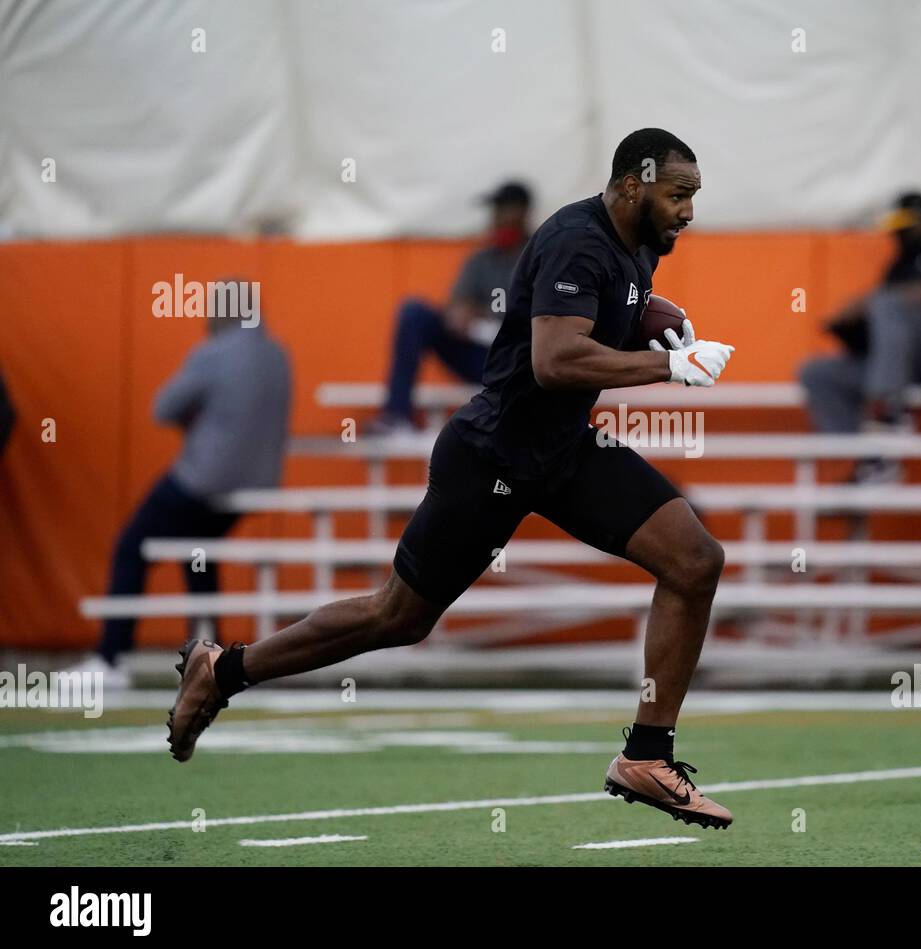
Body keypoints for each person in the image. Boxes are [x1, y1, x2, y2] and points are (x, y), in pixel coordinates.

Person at [167, 129, 739, 831]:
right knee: (397, 618)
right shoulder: (576, 239)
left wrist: (651, 327)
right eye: (678, 195)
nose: (687, 211)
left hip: (562, 452)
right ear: (631, 185)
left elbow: (591, 327)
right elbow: (555, 360)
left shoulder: (638, 247)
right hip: (493, 454)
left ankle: (648, 755)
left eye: (694, 198)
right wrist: (669, 367)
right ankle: (224, 671)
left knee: (695, 559)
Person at [81, 292, 291, 687]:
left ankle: (110, 659)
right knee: (198, 552)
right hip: (255, 485)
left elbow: (164, 408)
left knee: (131, 547)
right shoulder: (278, 355)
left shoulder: (213, 352)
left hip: (205, 480)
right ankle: (207, 660)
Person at [799, 192, 921, 480]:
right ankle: (869, 460)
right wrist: (851, 321)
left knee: (888, 303)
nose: (901, 233)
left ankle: (886, 413)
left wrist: (874, 302)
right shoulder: (900, 264)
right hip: (906, 370)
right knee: (817, 373)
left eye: (908, 225)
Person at [368, 181, 533, 434]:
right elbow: (456, 309)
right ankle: (397, 415)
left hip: (520, 362)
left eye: (504, 209)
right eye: (495, 211)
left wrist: (483, 313)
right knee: (413, 312)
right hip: (479, 356)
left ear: (523, 212)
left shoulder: (540, 255)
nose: (498, 218)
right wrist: (460, 315)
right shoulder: (481, 259)